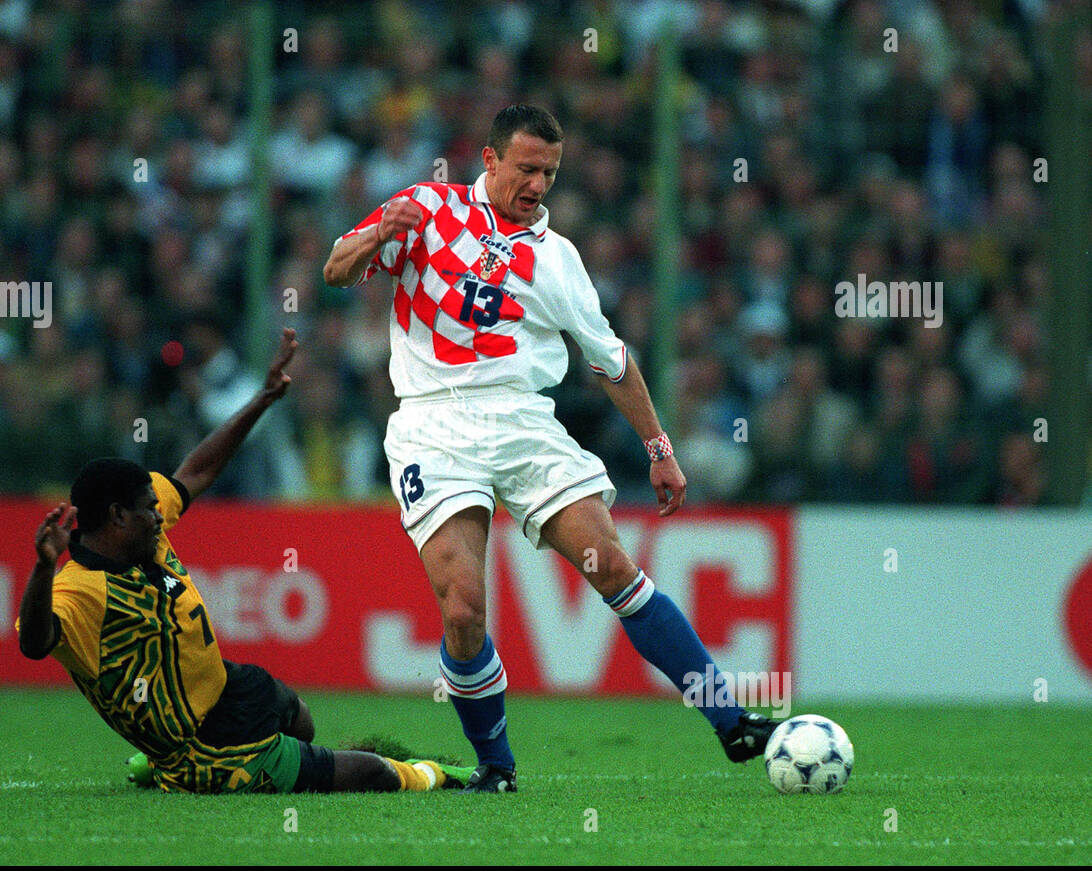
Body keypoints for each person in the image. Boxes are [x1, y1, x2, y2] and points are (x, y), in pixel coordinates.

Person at [324, 105, 779, 793]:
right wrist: (376, 238)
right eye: (527, 168)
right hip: (434, 426)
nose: (538, 183)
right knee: (462, 610)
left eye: (550, 173)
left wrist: (659, 446)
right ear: (490, 160)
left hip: (525, 426)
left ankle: (733, 721)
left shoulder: (558, 259)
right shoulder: (425, 207)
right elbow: (334, 269)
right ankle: (497, 769)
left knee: (615, 570)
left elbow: (611, 361)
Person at [16, 329, 470, 795]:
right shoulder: (80, 591)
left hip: (226, 685)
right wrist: (42, 568)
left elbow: (196, 472)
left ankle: (164, 760)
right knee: (372, 773)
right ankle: (443, 776)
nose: (160, 515)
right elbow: (34, 643)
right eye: (149, 509)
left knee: (301, 720)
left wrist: (264, 398)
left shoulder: (139, 533)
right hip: (203, 745)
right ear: (116, 517)